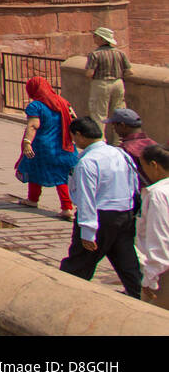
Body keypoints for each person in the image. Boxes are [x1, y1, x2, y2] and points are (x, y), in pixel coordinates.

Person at [59, 116, 142, 296]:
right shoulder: (119, 153)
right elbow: (134, 183)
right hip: (124, 215)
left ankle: (65, 296)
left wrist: (88, 230)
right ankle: (139, 294)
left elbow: (86, 198)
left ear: (79, 135)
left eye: (74, 137)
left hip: (100, 217)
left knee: (78, 265)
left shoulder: (88, 162)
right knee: (127, 263)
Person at [14, 76, 79, 219]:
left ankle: (42, 202)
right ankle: (60, 205)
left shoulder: (36, 106)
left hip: (43, 146)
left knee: (38, 170)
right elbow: (74, 119)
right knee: (61, 174)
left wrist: (27, 142)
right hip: (64, 145)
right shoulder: (63, 102)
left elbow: (33, 125)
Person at [136, 144, 169, 310]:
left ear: (154, 165)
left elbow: (159, 238)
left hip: (163, 272)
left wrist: (150, 279)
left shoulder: (159, 194)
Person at [86, 27, 132, 144]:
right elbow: (129, 72)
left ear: (101, 39)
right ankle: (119, 141)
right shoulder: (120, 53)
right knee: (119, 112)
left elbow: (89, 73)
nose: (94, 38)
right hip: (118, 83)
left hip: (101, 83)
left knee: (99, 114)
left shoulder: (95, 54)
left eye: (95, 36)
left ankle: (100, 141)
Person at [108, 108, 158, 186]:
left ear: (122, 125)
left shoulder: (124, 149)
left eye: (114, 126)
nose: (114, 129)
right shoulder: (154, 144)